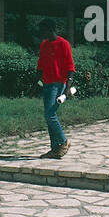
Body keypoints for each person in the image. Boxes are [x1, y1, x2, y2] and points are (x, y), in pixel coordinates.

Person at [37, 18, 75, 157]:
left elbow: (70, 67)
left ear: (50, 29)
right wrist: (37, 81)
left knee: (50, 114)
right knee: (48, 117)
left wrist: (67, 88)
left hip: (58, 84)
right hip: (46, 84)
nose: (40, 32)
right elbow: (40, 64)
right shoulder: (43, 45)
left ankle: (63, 142)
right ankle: (55, 149)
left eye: (42, 30)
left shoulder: (64, 44)